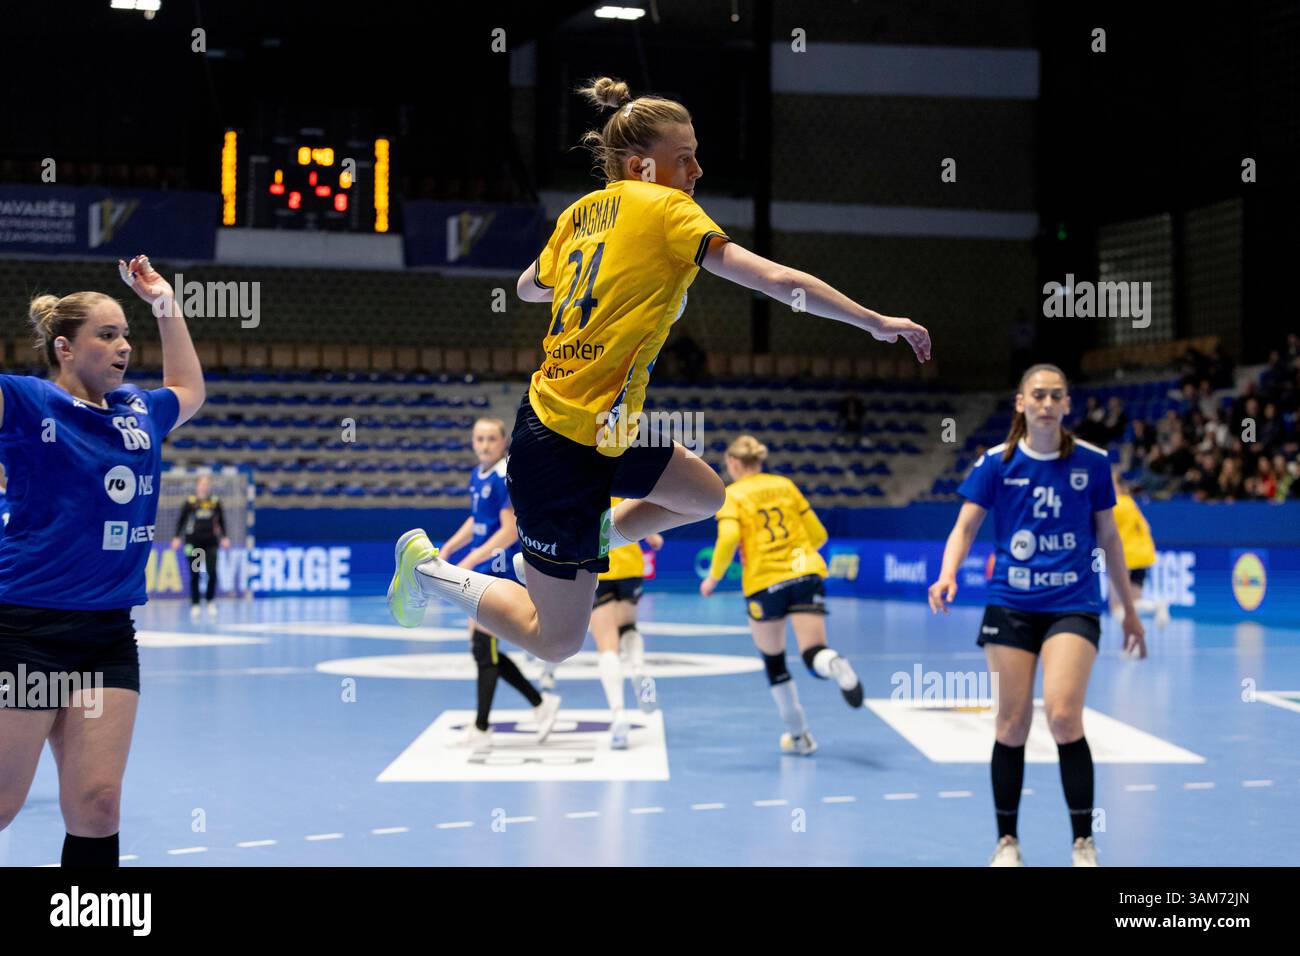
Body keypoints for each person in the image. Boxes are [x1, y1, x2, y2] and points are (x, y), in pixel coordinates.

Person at [385, 76, 930, 665]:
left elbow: (525, 287)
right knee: (557, 640)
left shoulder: (579, 213)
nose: (697, 171)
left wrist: (602, 283)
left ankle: (596, 534)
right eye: (685, 158)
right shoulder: (671, 209)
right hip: (560, 447)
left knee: (704, 493)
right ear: (643, 166)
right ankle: (429, 571)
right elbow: (776, 280)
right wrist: (873, 321)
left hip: (604, 430)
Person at [0, 255, 204, 866]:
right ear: (65, 347)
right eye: (107, 334)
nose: (123, 346)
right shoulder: (26, 401)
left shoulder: (140, 410)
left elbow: (189, 389)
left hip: (107, 632)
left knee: (98, 804)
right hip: (26, 629)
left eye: (126, 333)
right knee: (5, 801)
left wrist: (164, 302)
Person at [927, 364, 1146, 868]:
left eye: (1056, 396)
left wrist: (1129, 612)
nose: (1047, 403)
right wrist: (947, 574)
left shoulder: (1092, 463)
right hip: (1011, 604)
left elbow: (1110, 539)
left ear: (1068, 404)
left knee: (1066, 718)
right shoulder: (997, 462)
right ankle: (1007, 841)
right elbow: (964, 529)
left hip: (1073, 603)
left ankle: (1083, 842)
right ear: (1021, 404)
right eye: (1038, 395)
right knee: (1011, 725)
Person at [700, 436, 863, 755]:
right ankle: (835, 664)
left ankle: (799, 736)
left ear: (733, 463)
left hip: (764, 582)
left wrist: (713, 578)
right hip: (804, 572)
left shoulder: (731, 495)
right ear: (759, 461)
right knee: (813, 651)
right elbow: (819, 535)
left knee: (775, 662)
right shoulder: (786, 485)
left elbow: (730, 535)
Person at [437, 418, 560, 747]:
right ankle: (540, 704)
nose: (485, 444)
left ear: (503, 441)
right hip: (483, 567)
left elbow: (508, 531)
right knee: (483, 649)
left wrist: (470, 560)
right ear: (473, 441)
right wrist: (450, 546)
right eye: (479, 438)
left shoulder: (503, 475)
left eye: (491, 438)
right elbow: (478, 519)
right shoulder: (478, 476)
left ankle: (483, 727)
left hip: (498, 569)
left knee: (484, 647)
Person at [590, 497, 662, 749]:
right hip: (631, 564)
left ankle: (619, 715)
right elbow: (654, 538)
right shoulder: (624, 485)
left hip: (599, 567)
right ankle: (639, 669)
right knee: (629, 627)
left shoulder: (582, 484)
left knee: (607, 644)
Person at [1109, 469, 1170, 628]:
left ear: (1117, 486)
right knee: (1134, 605)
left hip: (1126, 557)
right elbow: (1146, 527)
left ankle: (1157, 606)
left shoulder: (1114, 505)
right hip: (1143, 557)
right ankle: (1133, 647)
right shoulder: (1129, 502)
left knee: (1117, 609)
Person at [171, 473, 229, 619]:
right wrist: (177, 537)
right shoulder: (191, 502)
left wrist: (224, 537)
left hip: (210, 543)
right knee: (195, 573)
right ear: (197, 486)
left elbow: (221, 520)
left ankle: (210, 601)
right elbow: (182, 521)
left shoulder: (215, 502)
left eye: (206, 484)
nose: (204, 487)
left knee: (212, 572)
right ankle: (195, 603)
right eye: (202, 484)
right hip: (194, 543)